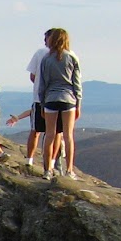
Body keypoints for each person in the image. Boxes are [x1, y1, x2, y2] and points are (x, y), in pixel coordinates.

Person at [6, 29, 57, 169]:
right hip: (57, 98)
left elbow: (33, 76)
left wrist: (40, 86)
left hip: (40, 98)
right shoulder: (66, 55)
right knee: (55, 133)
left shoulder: (40, 53)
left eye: (46, 38)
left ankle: (30, 160)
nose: (44, 41)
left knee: (36, 130)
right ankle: (51, 163)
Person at [36, 29, 82, 180]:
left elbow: (42, 85)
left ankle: (47, 170)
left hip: (50, 98)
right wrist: (79, 103)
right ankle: (69, 170)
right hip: (69, 99)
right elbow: (77, 83)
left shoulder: (46, 59)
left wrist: (42, 103)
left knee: (49, 135)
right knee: (68, 136)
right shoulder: (72, 58)